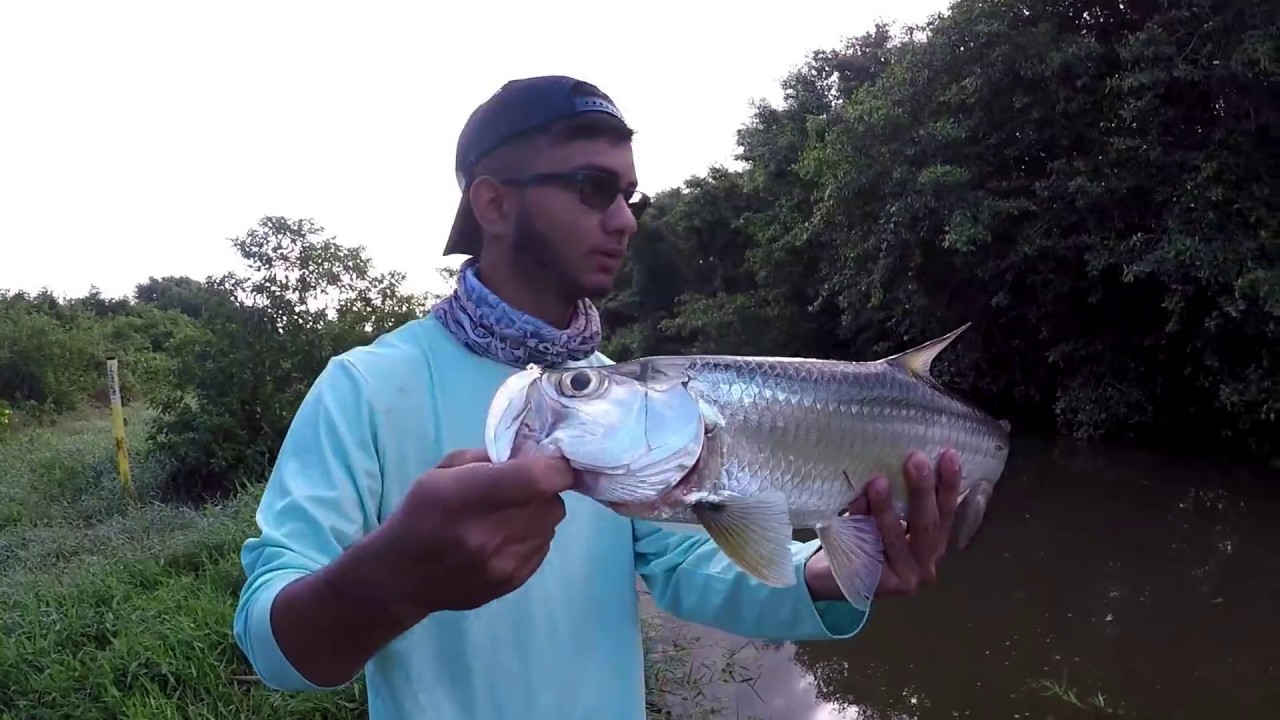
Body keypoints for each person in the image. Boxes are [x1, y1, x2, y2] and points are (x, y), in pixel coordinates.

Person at [232, 75, 965, 720]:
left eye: (629, 194)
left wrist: (826, 573)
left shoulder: (628, 397)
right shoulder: (364, 385)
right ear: (491, 202)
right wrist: (388, 580)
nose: (625, 218)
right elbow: (272, 642)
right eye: (592, 188)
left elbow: (680, 563)